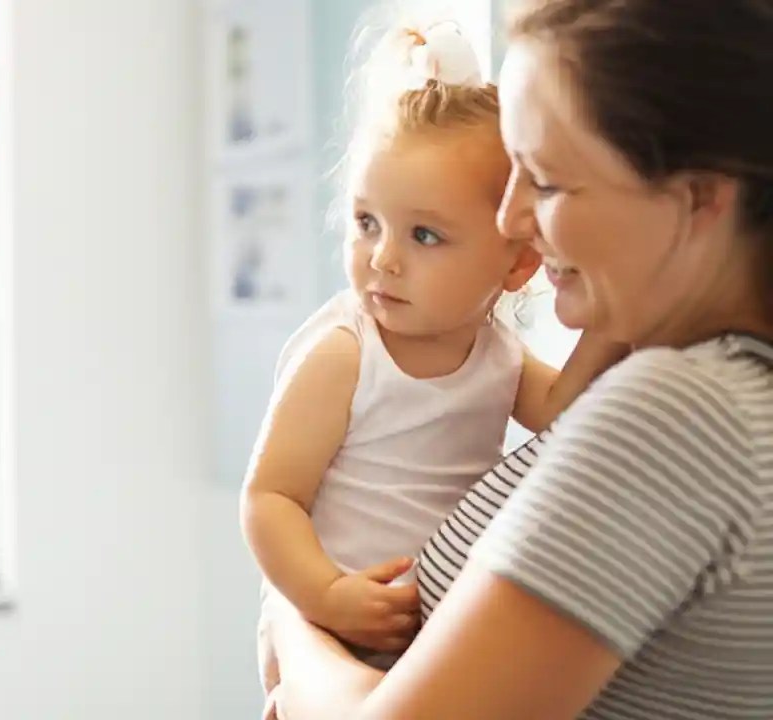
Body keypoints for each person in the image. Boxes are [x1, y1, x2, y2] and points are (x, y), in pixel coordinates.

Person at [265, 1, 773, 718]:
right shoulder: (715, 396)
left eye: (548, 179)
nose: (509, 220)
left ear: (696, 200)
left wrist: (293, 626)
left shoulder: (685, 413)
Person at [239, 20, 618, 714]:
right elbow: (270, 498)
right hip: (339, 625)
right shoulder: (346, 354)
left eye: (424, 235)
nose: (382, 258)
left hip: (429, 644)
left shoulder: (498, 355)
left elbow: (570, 405)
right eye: (365, 222)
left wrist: (613, 306)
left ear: (517, 262)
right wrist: (323, 595)